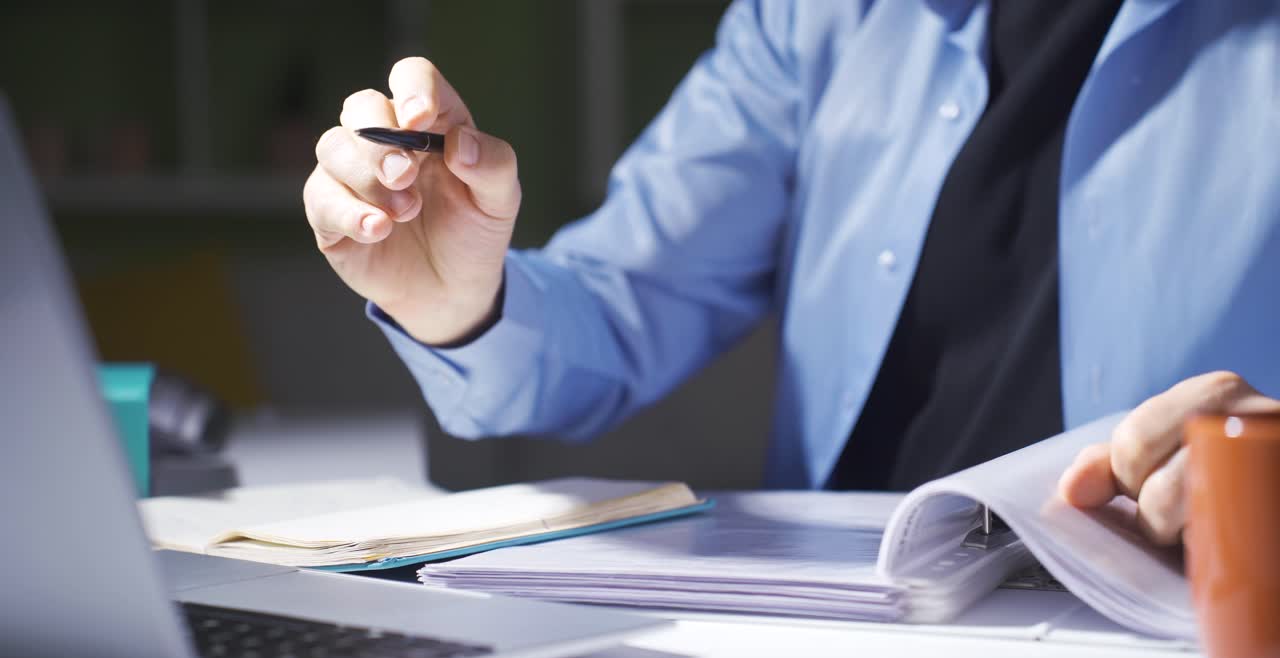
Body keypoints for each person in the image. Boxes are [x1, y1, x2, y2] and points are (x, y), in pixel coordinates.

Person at [302, 0, 1280, 548]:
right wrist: (462, 300)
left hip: (1179, 643)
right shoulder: (815, 20)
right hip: (841, 633)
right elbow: (620, 304)